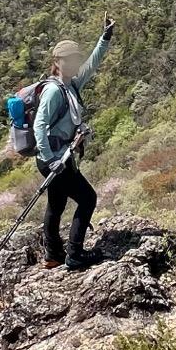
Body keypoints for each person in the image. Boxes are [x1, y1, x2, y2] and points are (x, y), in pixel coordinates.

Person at [32, 16, 114, 269]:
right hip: (55, 158)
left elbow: (92, 65)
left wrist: (105, 37)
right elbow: (39, 125)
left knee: (56, 203)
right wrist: (51, 159)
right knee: (88, 198)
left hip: (60, 156)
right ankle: (75, 254)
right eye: (69, 60)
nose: (75, 63)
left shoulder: (71, 85)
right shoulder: (54, 91)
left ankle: (53, 255)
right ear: (57, 62)